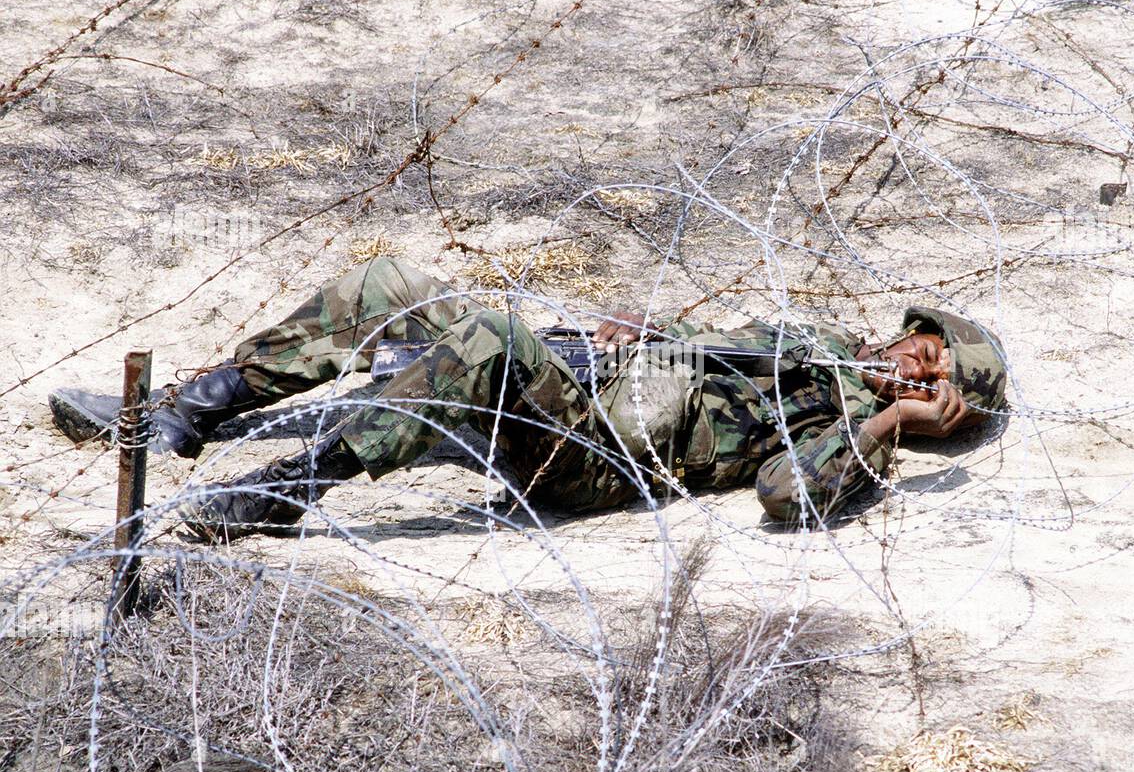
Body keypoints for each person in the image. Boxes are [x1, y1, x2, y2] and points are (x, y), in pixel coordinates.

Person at [48, 258, 1009, 539]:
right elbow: (706, 354)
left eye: (935, 387)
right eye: (926, 354)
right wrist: (641, 327)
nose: (916, 371)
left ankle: (291, 487)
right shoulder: (815, 343)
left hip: (603, 460)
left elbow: (780, 496)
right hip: (589, 386)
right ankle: (197, 407)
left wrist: (886, 423)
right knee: (386, 290)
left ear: (937, 420)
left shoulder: (852, 438)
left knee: (482, 343)